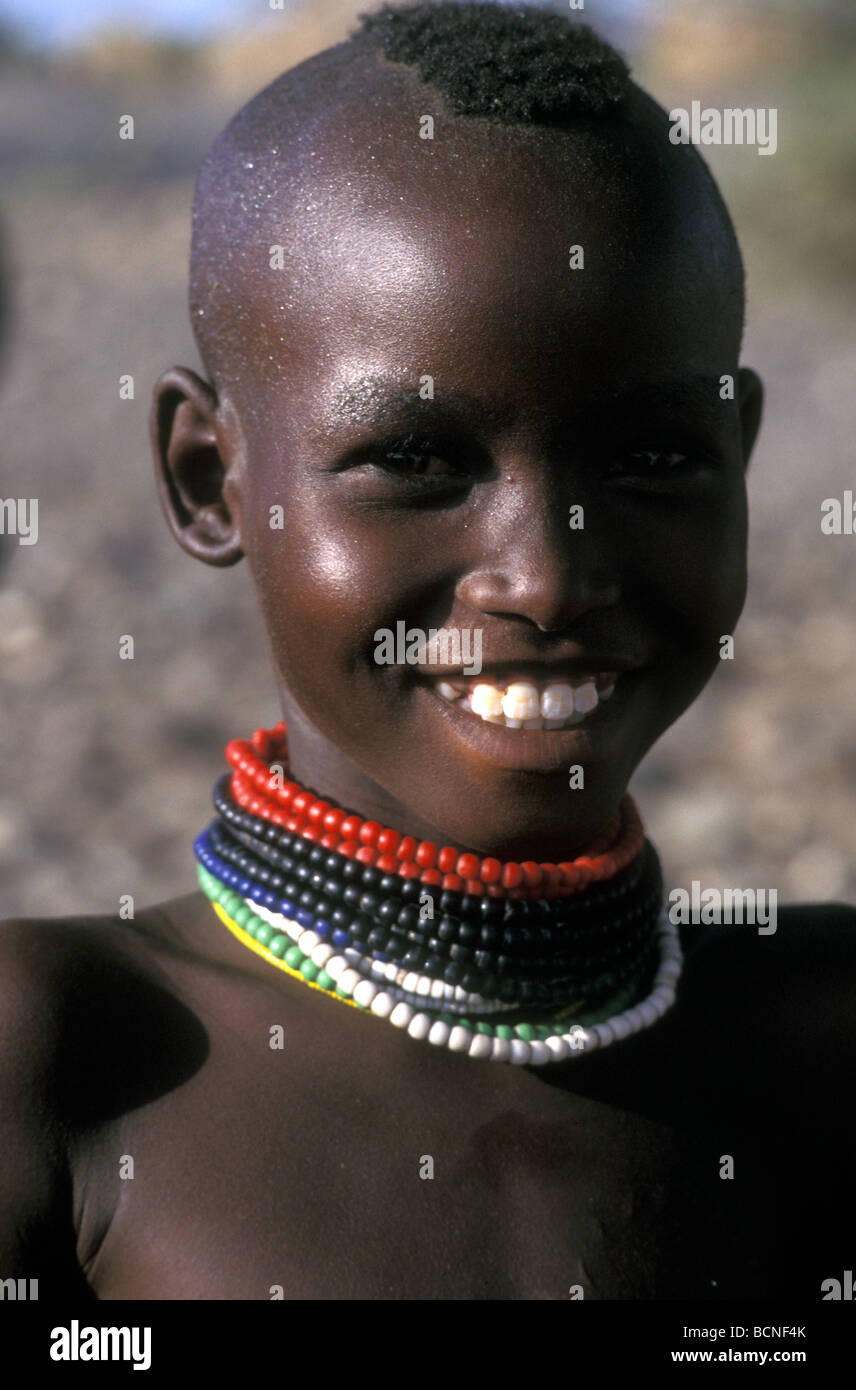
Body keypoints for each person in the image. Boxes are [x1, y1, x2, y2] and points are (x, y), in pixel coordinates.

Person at [1, 1, 853, 1301]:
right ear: (208, 482)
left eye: (649, 455)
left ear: (735, 459)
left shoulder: (823, 1034)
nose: (548, 577)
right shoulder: (65, 1061)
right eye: (415, 459)